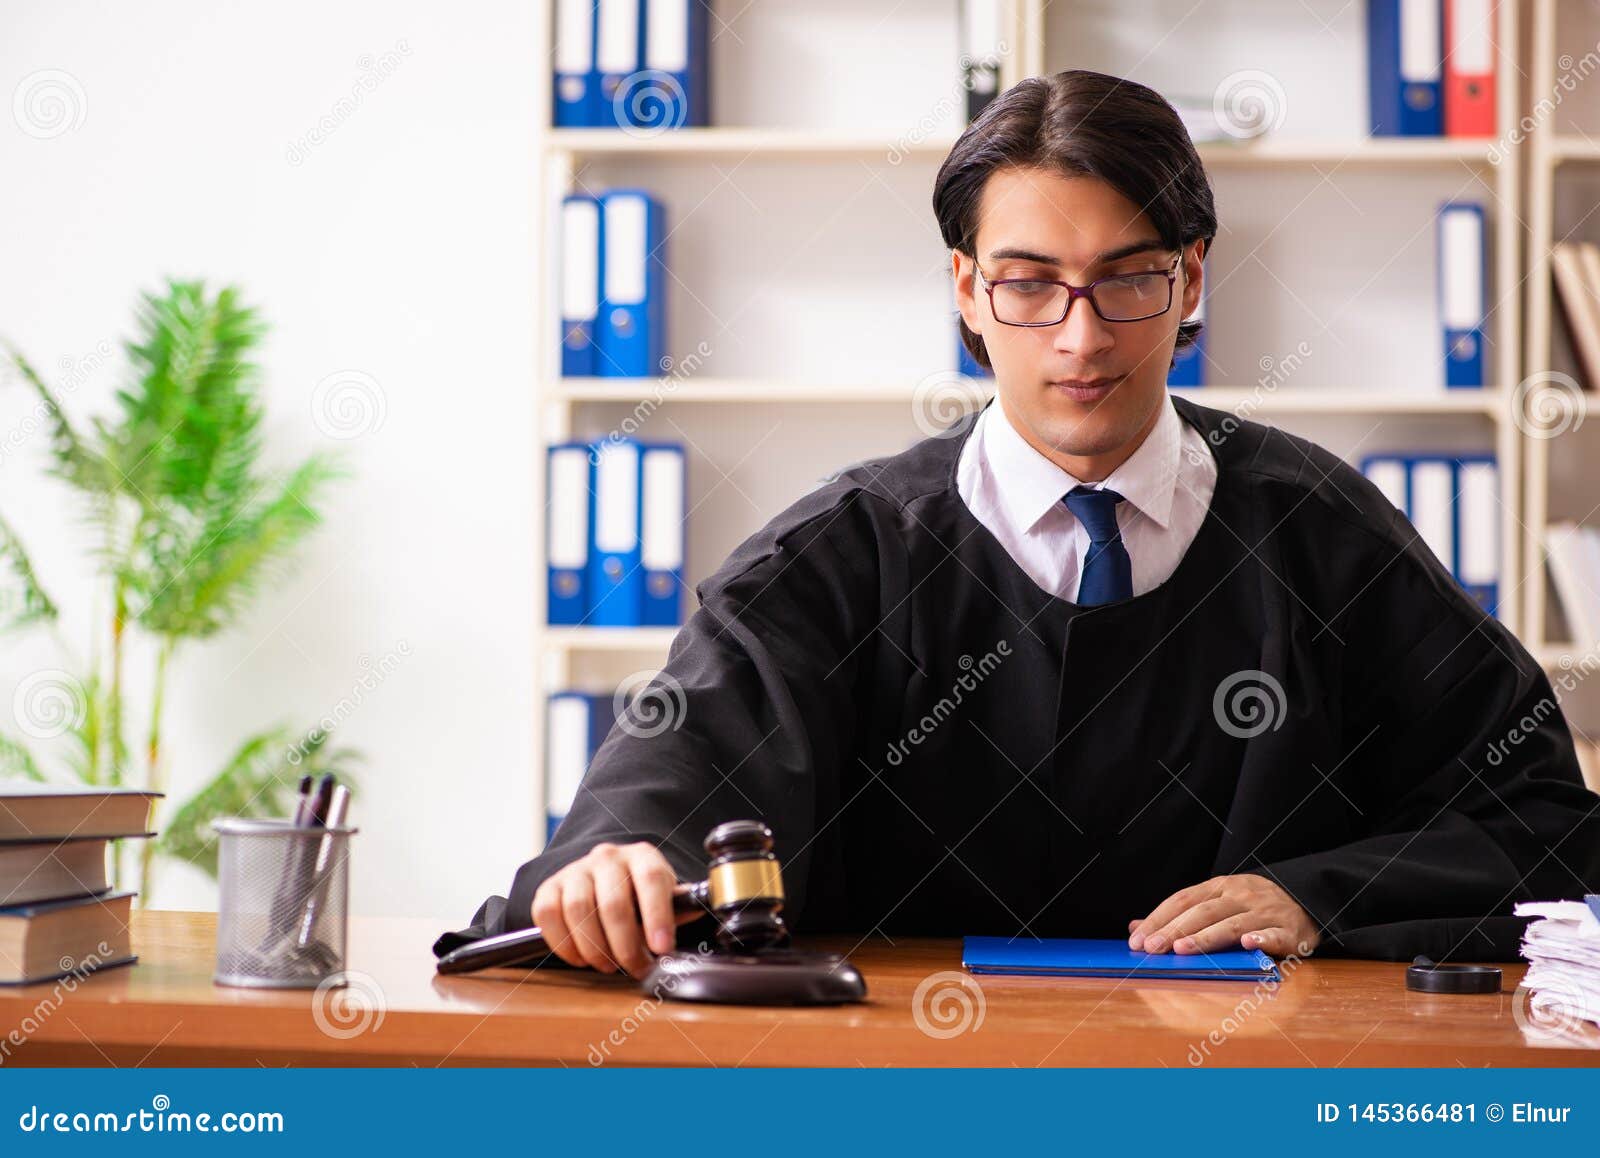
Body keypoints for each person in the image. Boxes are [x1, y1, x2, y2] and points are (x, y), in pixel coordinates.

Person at [443, 70, 1600, 979]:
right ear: (965, 292)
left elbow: (1543, 820)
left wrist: (1328, 895)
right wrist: (620, 869)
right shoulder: (841, 558)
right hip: (903, 1088)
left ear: (1193, 281)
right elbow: (676, 778)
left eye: (1129, 279)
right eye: (1029, 283)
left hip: (1244, 1088)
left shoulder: (1322, 535)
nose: (1080, 338)